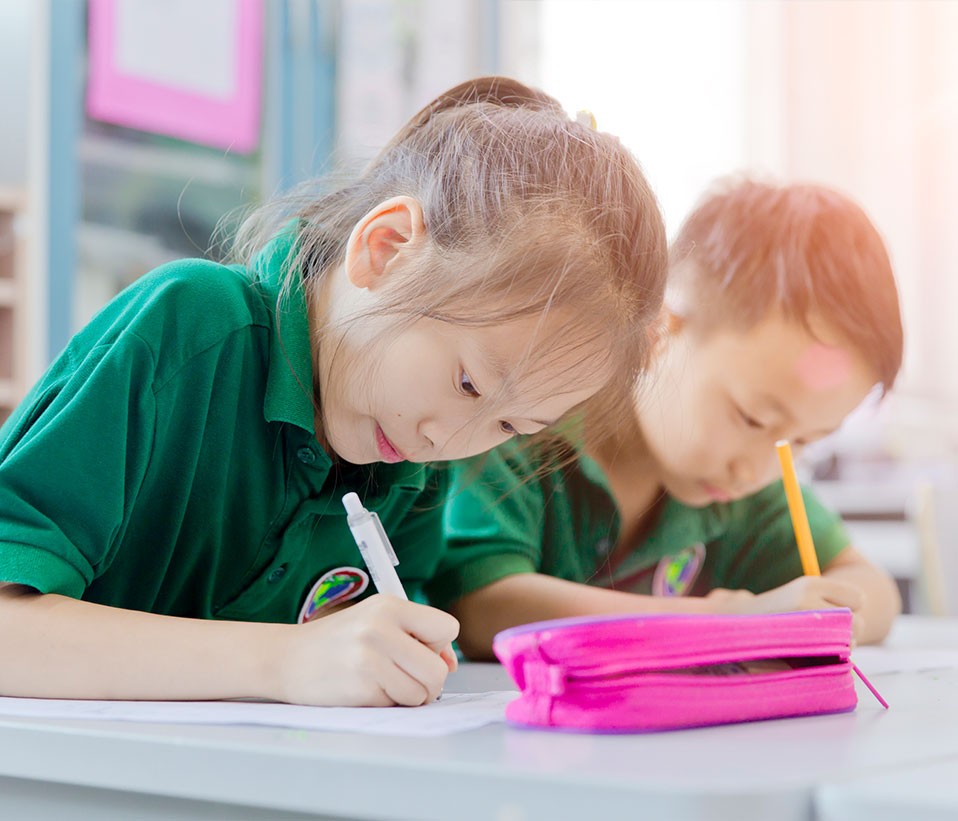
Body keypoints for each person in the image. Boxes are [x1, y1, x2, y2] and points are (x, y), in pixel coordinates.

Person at [0, 77, 667, 706]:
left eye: (509, 428)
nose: (449, 442)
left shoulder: (412, 459)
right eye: (468, 383)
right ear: (386, 248)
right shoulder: (190, 329)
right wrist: (285, 660)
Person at [428, 178, 904, 659]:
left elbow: (872, 588)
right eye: (753, 419)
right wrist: (726, 623)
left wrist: (828, 614)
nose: (756, 469)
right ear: (659, 330)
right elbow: (482, 608)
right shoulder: (524, 421)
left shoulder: (748, 484)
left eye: (804, 441)